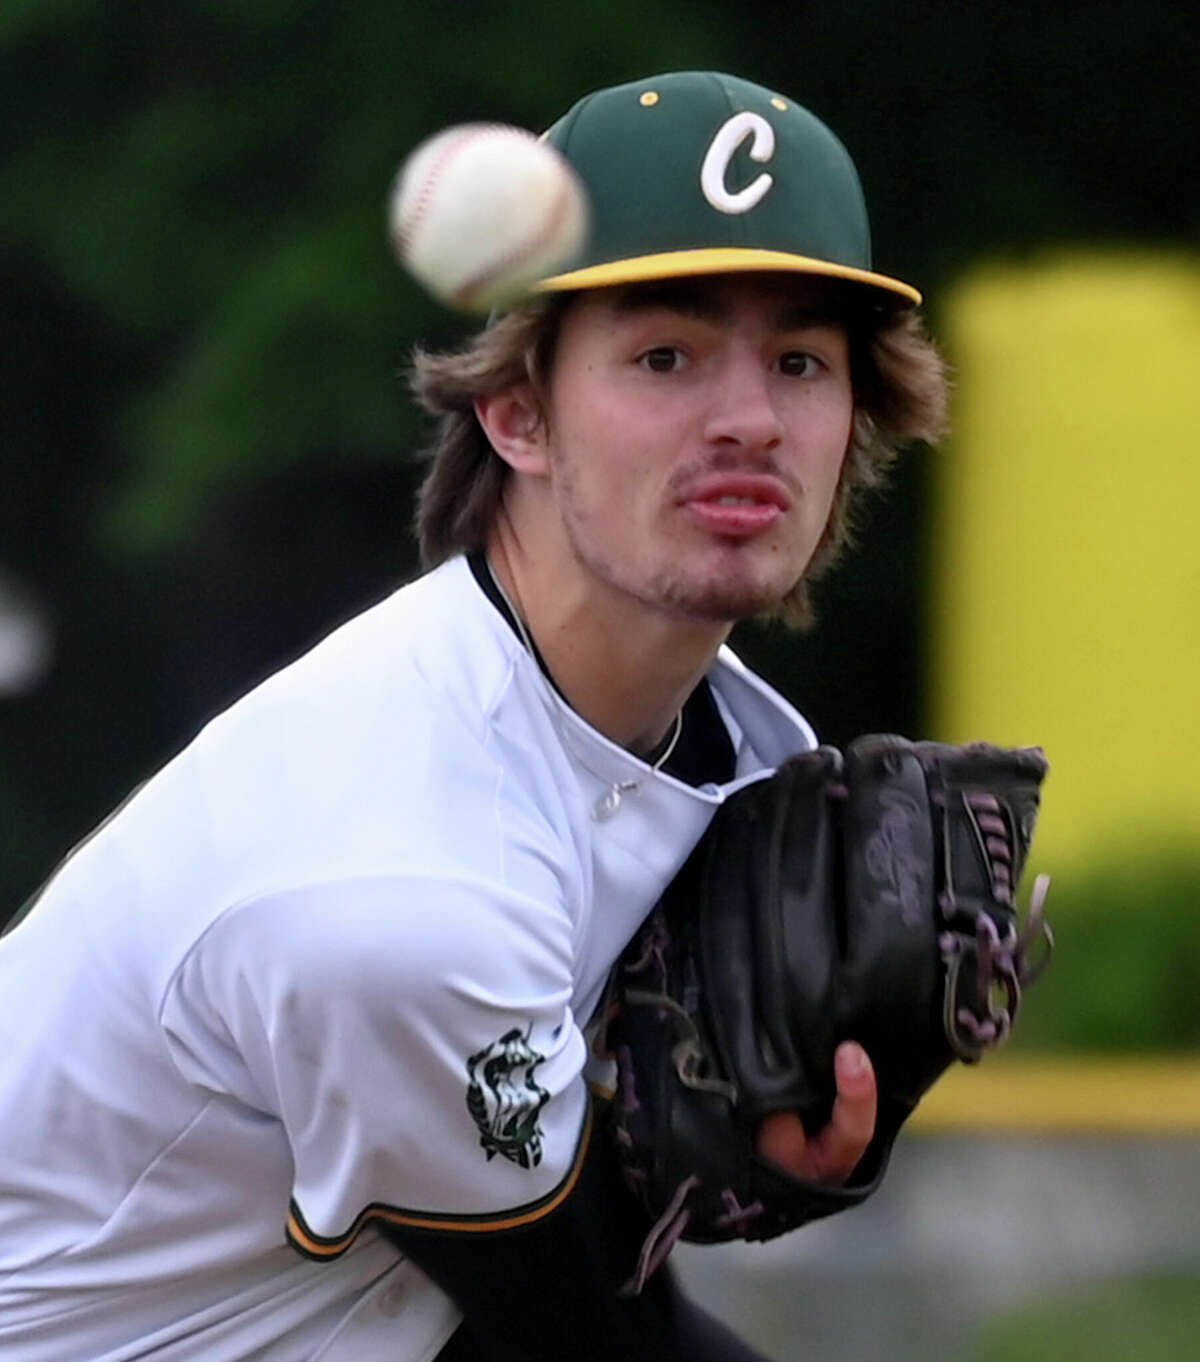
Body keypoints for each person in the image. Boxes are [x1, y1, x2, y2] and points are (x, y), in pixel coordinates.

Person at [0, 71, 946, 1361]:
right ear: (518, 415)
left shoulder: (705, 750)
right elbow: (574, 1330)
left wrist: (771, 1146)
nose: (748, 421)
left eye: (801, 361)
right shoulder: (402, 863)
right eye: (665, 354)